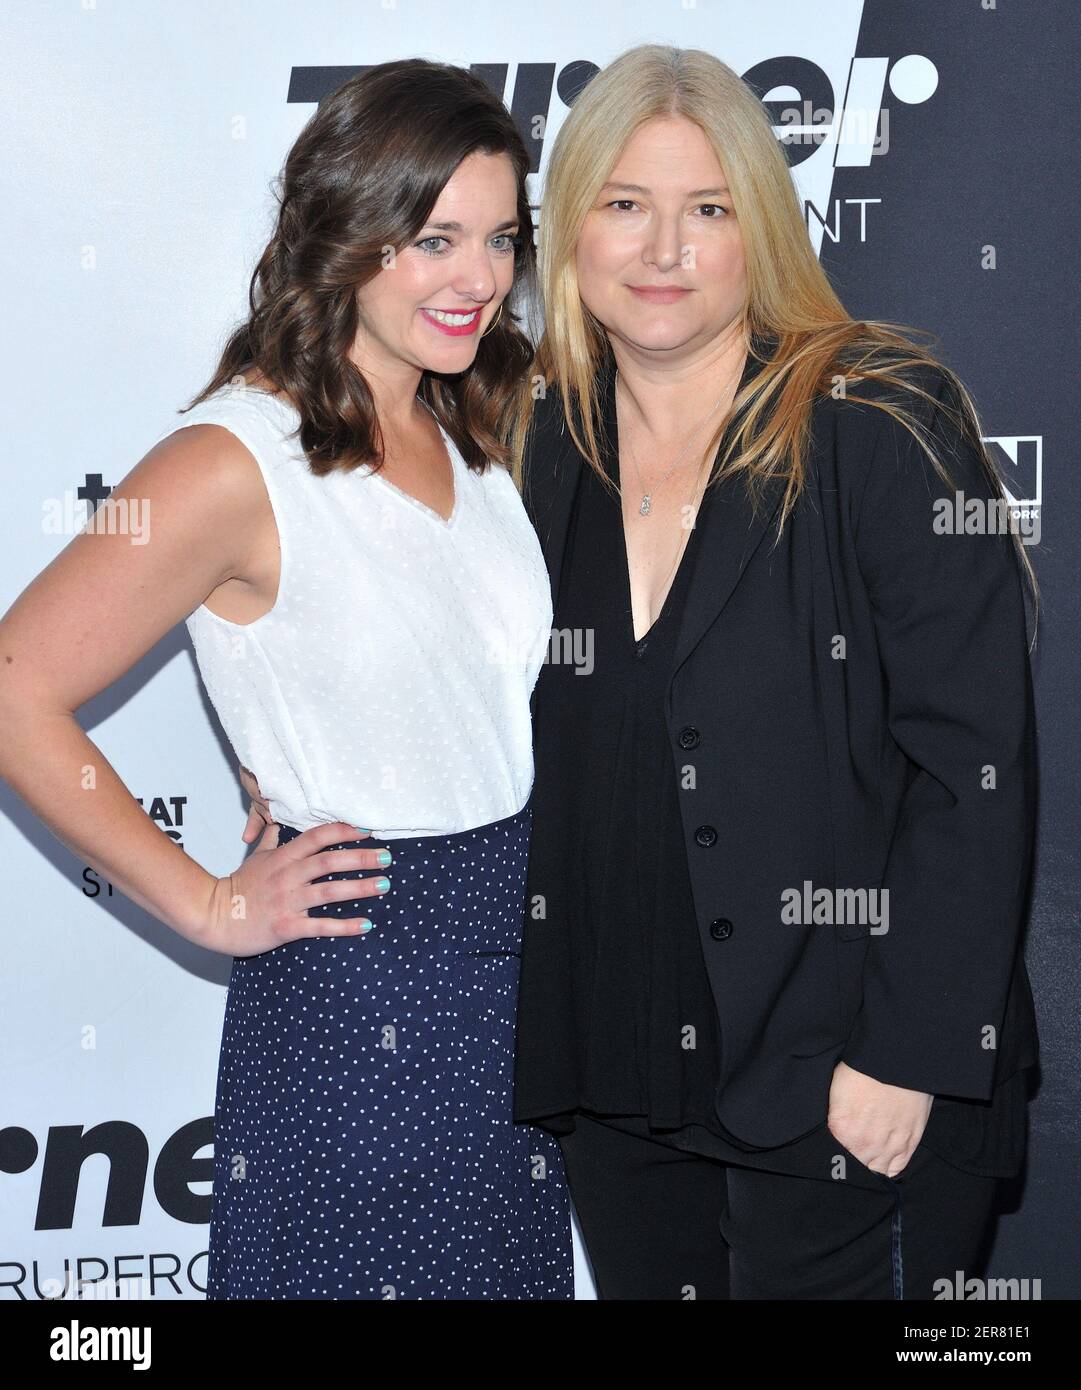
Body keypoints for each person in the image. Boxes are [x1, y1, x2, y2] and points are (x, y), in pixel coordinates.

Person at [0, 59, 572, 1301]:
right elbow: (13, 685)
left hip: (507, 976)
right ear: (347, 232)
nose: (477, 278)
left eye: (499, 239)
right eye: (434, 239)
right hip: (359, 977)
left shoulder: (464, 416)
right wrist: (210, 906)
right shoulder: (230, 460)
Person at [509, 44, 1040, 1300]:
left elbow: (972, 761)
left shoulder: (873, 415)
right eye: (623, 205)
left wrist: (908, 1057)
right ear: (569, 230)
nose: (662, 249)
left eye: (706, 210)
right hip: (618, 1068)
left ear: (763, 228)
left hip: (845, 1079)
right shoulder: (536, 442)